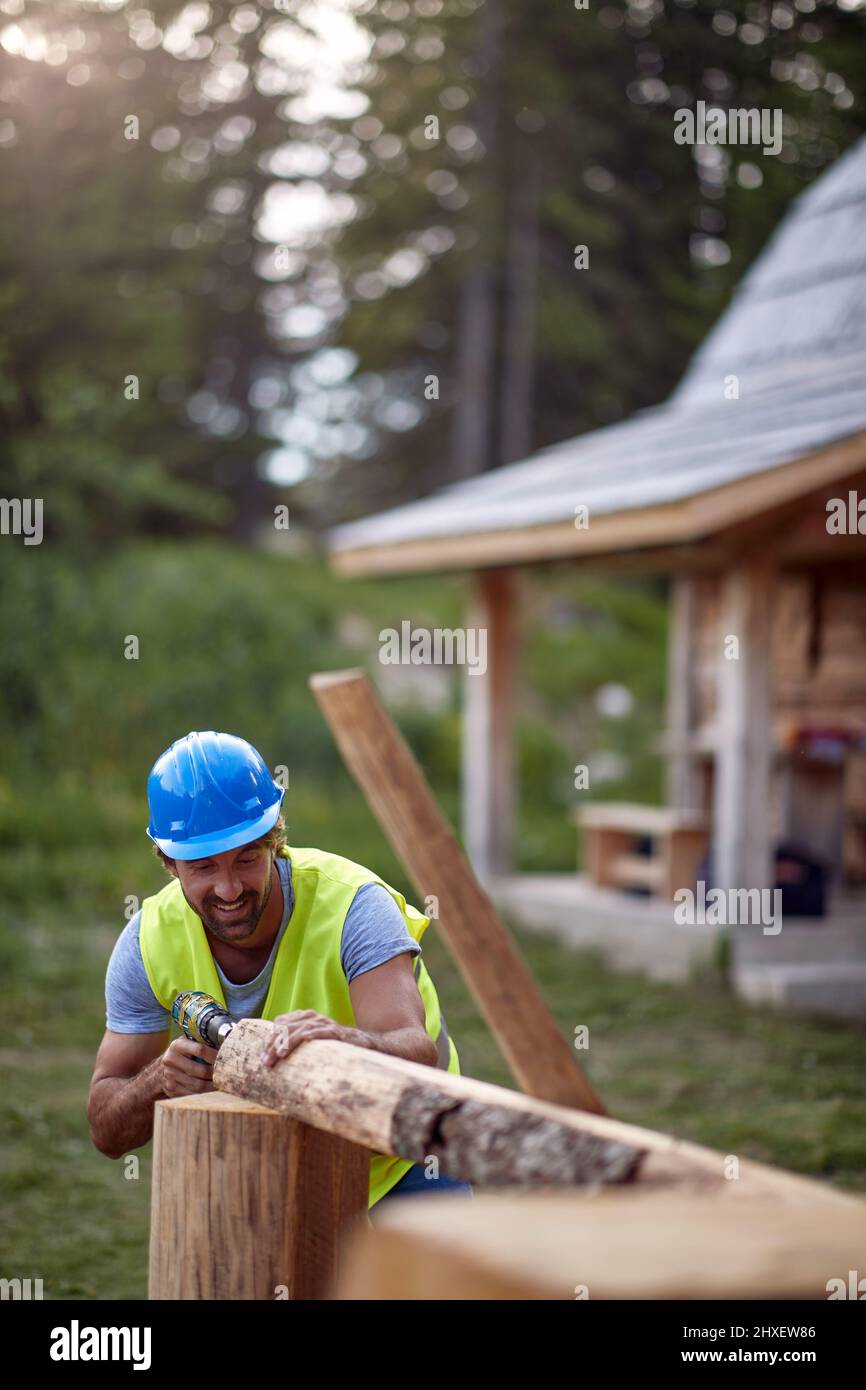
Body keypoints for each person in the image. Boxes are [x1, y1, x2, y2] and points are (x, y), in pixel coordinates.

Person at [87, 730, 473, 1211]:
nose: (228, 889)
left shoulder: (354, 904)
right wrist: (157, 1083)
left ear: (275, 842)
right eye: (203, 868)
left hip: (401, 1160)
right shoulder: (147, 941)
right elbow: (106, 1130)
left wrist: (350, 1041)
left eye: (247, 859)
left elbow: (416, 1051)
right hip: (262, 1166)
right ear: (170, 864)